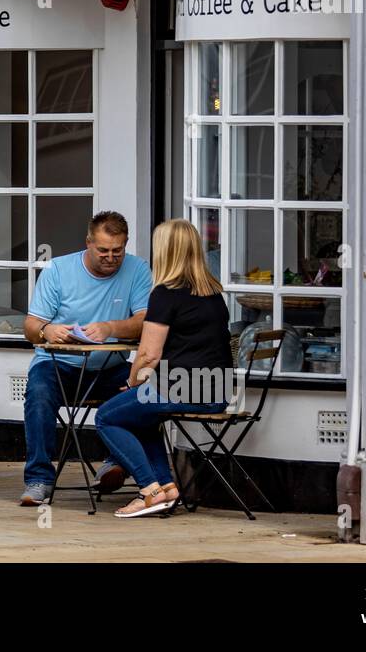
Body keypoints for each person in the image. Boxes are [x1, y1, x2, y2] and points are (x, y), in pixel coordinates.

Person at [93, 218, 233, 518]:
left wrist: (132, 384)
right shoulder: (213, 294)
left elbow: (148, 356)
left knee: (106, 417)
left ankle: (149, 490)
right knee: (140, 416)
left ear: (165, 252)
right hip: (218, 390)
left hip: (181, 387)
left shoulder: (166, 294)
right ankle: (167, 488)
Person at [18, 211, 152, 507]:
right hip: (58, 366)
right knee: (38, 394)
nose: (110, 257)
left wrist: (110, 328)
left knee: (146, 390)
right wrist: (47, 330)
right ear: (88, 243)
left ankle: (117, 462)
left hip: (110, 368)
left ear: (126, 244)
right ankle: (39, 478)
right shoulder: (58, 269)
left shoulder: (138, 269)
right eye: (103, 250)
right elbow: (30, 326)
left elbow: (147, 321)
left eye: (117, 251)